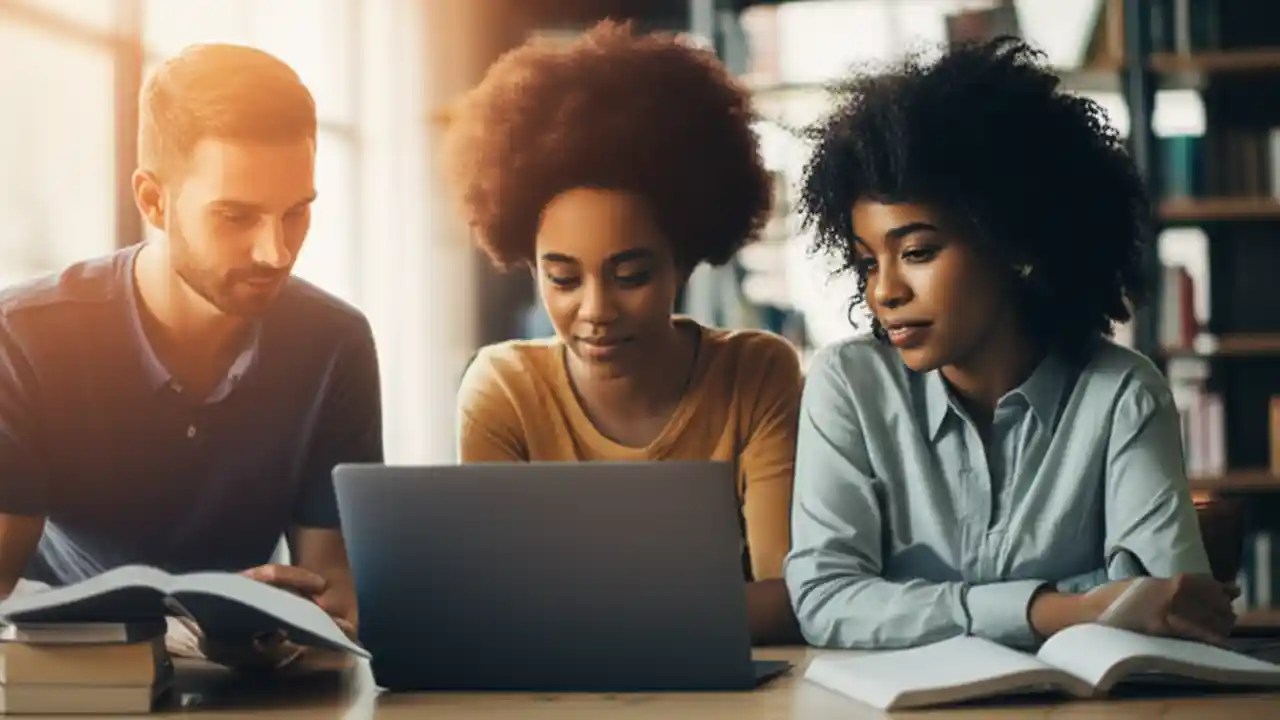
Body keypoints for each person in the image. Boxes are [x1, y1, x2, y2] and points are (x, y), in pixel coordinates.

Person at [784, 37, 1236, 650]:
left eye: (917, 252)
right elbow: (827, 601)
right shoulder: (850, 387)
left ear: (1014, 244)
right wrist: (1066, 607)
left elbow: (1169, 607)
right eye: (867, 263)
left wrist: (902, 603)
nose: (884, 291)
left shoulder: (1122, 395)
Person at [0, 44, 381, 646]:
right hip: (67, 672)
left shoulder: (335, 344)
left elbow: (333, 587)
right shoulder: (23, 337)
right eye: (236, 217)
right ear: (153, 200)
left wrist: (290, 619)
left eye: (295, 213)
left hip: (247, 675)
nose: (276, 252)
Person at [446, 21, 802, 644]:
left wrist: (581, 617)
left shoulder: (756, 375)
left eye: (631, 275)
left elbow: (791, 597)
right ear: (531, 266)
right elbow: (495, 601)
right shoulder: (502, 388)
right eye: (562, 279)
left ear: (683, 262)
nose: (596, 310)